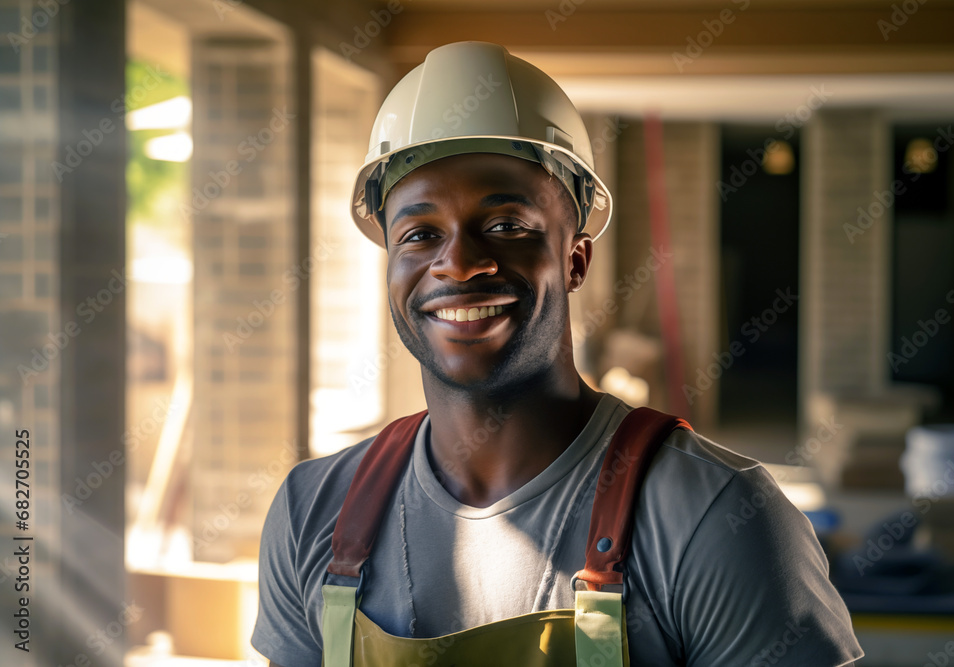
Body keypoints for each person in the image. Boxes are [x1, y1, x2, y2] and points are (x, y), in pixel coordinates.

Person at [251, 41, 864, 667]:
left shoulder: (721, 520)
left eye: (508, 226)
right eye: (420, 234)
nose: (458, 263)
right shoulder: (314, 510)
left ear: (575, 260)